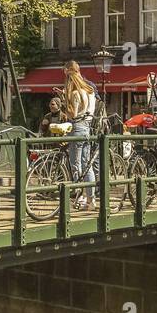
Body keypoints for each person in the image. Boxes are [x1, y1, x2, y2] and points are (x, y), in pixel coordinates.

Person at [60, 60, 97, 210]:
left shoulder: (75, 93)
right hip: (87, 127)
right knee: (87, 164)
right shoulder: (90, 91)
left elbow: (72, 114)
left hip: (77, 128)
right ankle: (91, 200)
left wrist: (64, 101)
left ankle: (80, 197)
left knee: (76, 165)